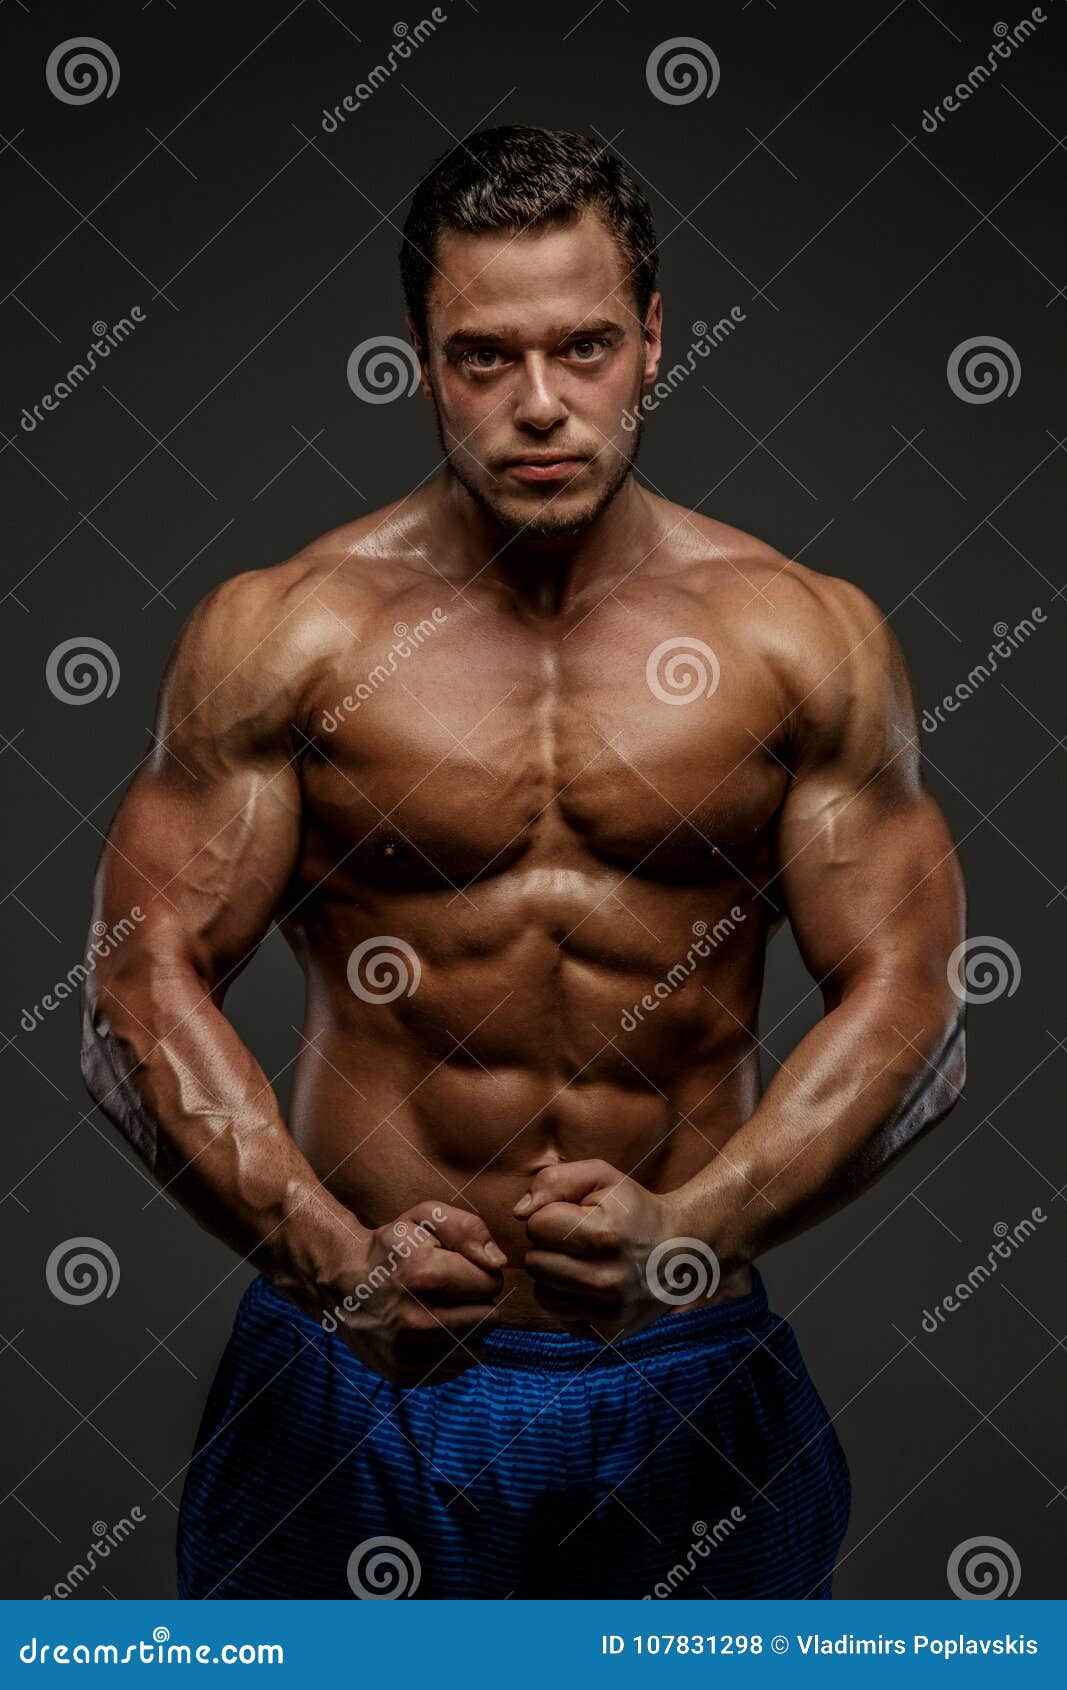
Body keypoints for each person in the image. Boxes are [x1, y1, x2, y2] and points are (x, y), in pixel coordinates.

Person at [81, 125, 965, 1600]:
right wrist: (324, 1254)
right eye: (484, 357)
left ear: (654, 338)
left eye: (585, 347)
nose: (539, 404)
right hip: (355, 1382)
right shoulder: (288, 636)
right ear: (421, 361)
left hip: (685, 1369)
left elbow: (916, 1005)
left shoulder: (801, 639)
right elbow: (134, 982)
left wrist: (692, 1233)